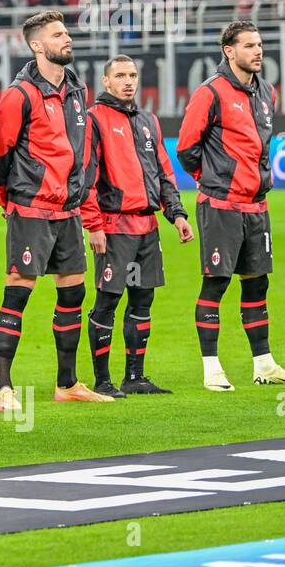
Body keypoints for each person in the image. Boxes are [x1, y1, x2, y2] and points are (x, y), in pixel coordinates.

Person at [0, 10, 112, 409]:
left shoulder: (77, 90)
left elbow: (81, 153)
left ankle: (67, 383)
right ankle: (2, 386)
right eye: (58, 35)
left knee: (73, 294)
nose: (67, 39)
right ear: (37, 45)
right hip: (32, 210)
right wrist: (12, 200)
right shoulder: (19, 94)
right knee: (17, 295)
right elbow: (0, 155)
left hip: (68, 212)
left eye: (67, 33)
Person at [177, 21, 285, 389]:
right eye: (249, 45)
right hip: (221, 204)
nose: (258, 51)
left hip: (256, 206)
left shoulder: (266, 91)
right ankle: (211, 368)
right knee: (216, 283)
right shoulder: (210, 92)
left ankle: (264, 365)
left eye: (260, 44)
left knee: (256, 285)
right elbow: (187, 148)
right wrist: (214, 179)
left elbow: (261, 147)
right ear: (229, 51)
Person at [83, 55, 193, 396]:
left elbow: (163, 173)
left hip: (147, 229)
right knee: (107, 302)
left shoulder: (149, 121)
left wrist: (177, 214)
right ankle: (102, 381)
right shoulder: (94, 119)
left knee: (142, 301)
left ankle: (135, 377)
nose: (128, 81)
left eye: (132, 75)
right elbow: (86, 175)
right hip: (115, 228)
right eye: (120, 75)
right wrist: (94, 224)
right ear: (106, 82)